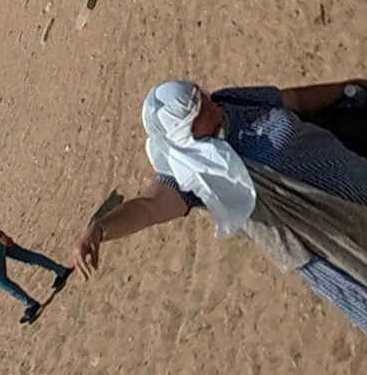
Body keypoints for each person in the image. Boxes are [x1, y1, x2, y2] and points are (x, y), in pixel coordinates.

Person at [77, 78, 367, 332]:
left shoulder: (228, 100)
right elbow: (149, 206)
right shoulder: (190, 174)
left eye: (198, 94)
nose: (206, 102)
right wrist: (100, 229)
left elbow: (293, 100)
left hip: (355, 178)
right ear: (182, 132)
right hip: (329, 242)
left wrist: (347, 88)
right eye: (195, 109)